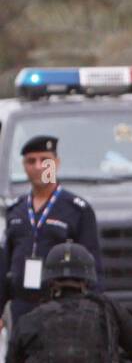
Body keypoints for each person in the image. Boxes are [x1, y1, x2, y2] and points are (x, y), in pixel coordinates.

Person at [0, 135, 103, 330]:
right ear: (23, 165)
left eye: (45, 160)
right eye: (31, 161)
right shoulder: (16, 210)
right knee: (18, 359)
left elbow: (94, 266)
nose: (39, 167)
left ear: (56, 163)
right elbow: (4, 263)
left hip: (62, 306)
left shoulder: (77, 210)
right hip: (22, 305)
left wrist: (95, 310)